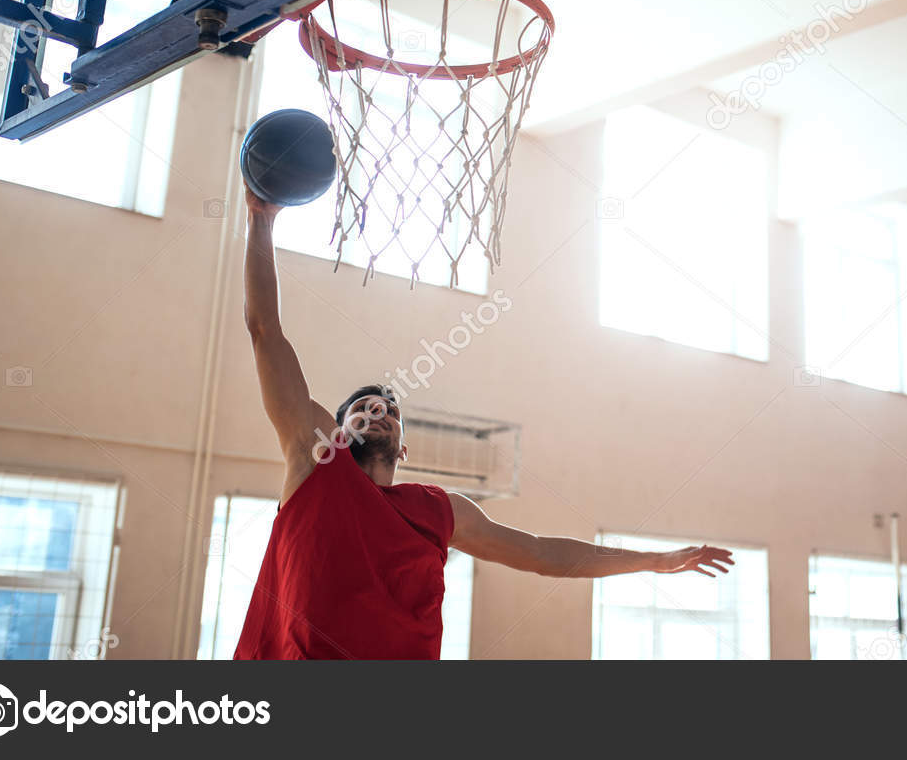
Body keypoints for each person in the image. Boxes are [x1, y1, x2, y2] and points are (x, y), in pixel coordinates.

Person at [234, 186, 733, 659]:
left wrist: (653, 562)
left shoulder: (438, 511)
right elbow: (265, 332)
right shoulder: (315, 462)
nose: (377, 410)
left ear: (404, 448)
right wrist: (261, 219)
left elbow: (541, 554)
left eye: (390, 409)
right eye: (361, 408)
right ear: (336, 433)